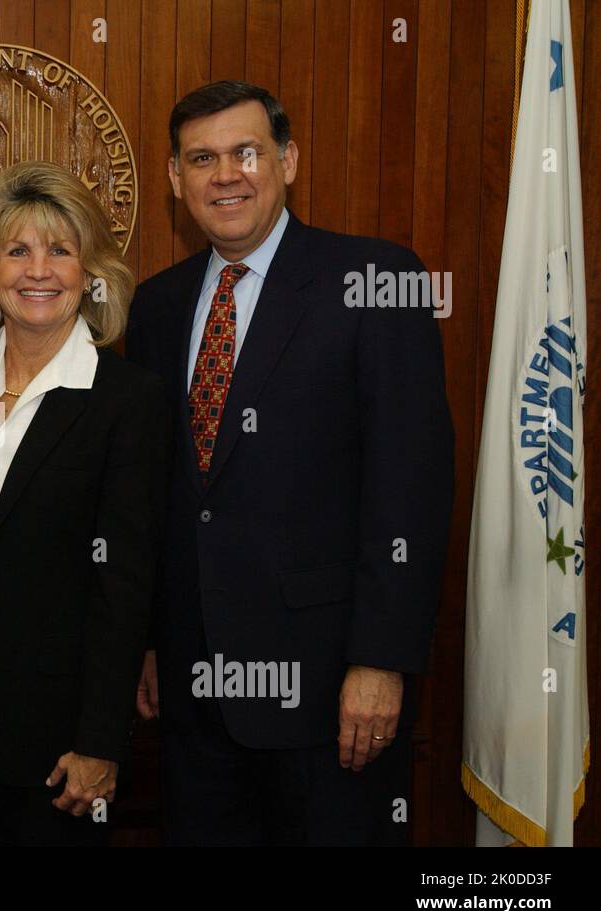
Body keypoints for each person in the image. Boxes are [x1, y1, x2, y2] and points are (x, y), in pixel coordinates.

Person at [126, 81, 454, 846]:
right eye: (200, 158)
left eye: (246, 152)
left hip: (331, 695)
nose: (224, 175)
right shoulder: (157, 306)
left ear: (289, 160)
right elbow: (155, 493)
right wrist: (148, 640)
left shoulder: (375, 283)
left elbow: (411, 489)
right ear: (176, 179)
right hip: (194, 693)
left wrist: (381, 661)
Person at [0, 161, 166, 846]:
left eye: (60, 249)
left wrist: (99, 741)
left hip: (54, 728)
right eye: (18, 250)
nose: (39, 269)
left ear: (90, 272)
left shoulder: (126, 400)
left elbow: (124, 585)